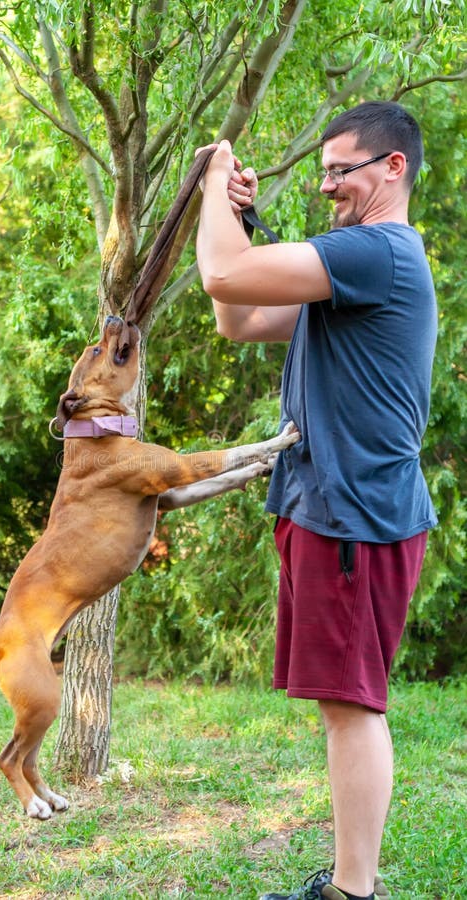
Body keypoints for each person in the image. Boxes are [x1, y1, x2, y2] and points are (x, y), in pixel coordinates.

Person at [195, 101, 437, 900]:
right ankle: (349, 885)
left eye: (343, 170)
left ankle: (353, 893)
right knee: (344, 704)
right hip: (330, 512)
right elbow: (239, 315)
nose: (328, 184)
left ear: (391, 168)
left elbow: (222, 271)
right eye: (325, 170)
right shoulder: (353, 272)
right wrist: (233, 210)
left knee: (353, 705)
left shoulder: (378, 252)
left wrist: (209, 189)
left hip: (355, 518)